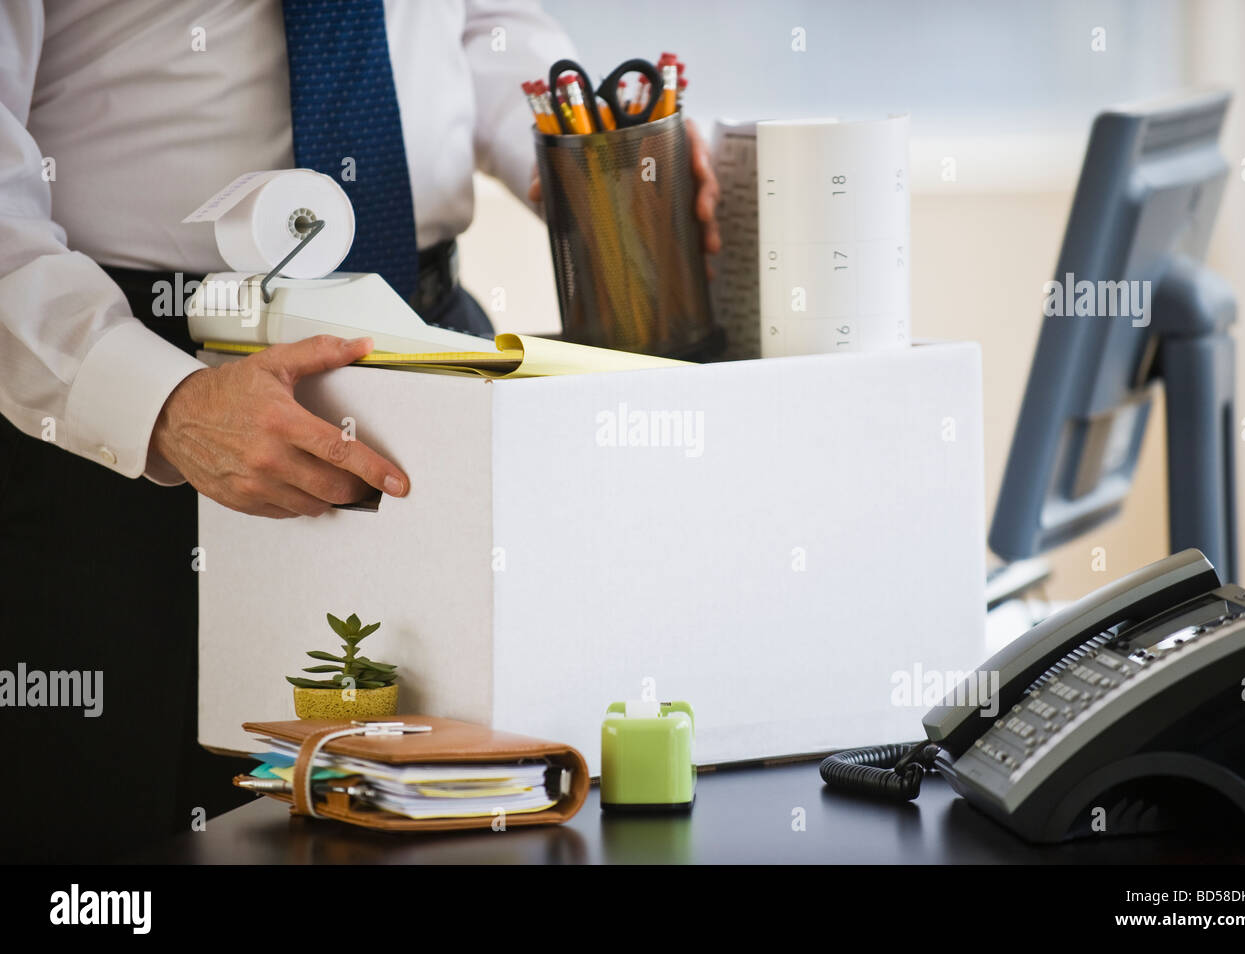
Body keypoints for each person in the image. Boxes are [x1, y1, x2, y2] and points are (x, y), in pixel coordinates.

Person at [0, 0, 719, 863]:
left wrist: (585, 155)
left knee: (451, 801)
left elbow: (484, 20)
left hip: (428, 341)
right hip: (133, 399)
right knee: (117, 840)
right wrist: (164, 403)